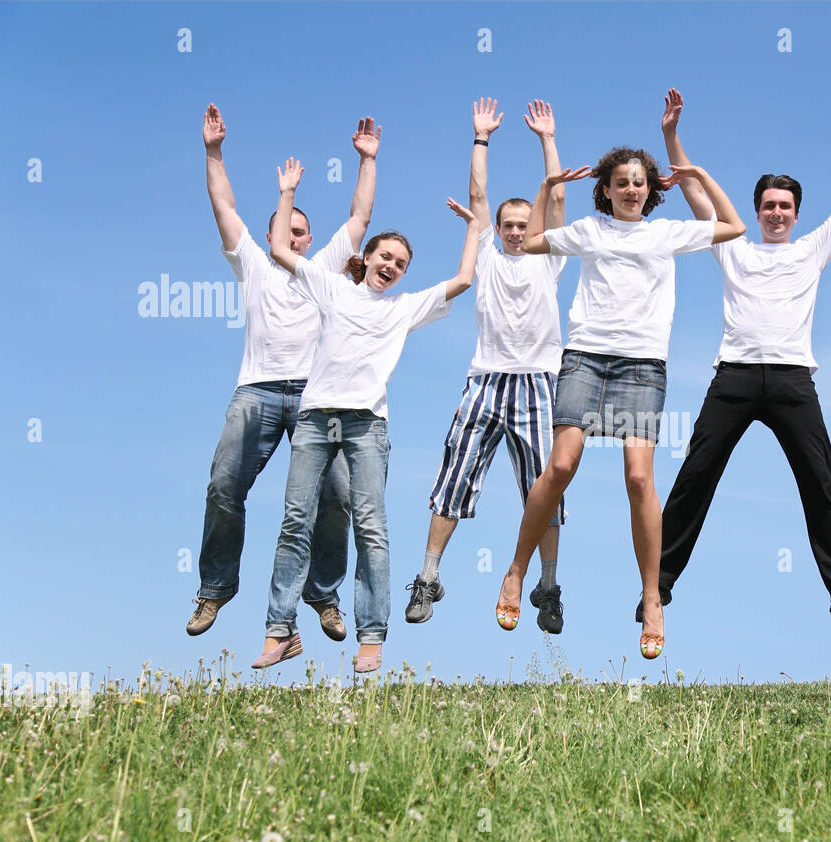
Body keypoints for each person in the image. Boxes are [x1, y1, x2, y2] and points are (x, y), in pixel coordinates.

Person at [648, 90, 831, 631]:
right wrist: (671, 136)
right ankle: (657, 586)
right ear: (756, 212)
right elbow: (696, 195)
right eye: (769, 205)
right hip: (735, 378)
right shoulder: (734, 245)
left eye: (785, 206)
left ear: (797, 213)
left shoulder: (813, 248)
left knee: (820, 481)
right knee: (695, 474)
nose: (777, 213)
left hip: (795, 382)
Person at [494, 141, 746, 659]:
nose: (631, 189)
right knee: (561, 466)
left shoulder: (666, 233)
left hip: (641, 365)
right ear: (606, 192)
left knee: (638, 477)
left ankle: (652, 598)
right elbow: (534, 240)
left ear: (651, 189)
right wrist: (547, 186)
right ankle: (517, 570)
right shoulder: (589, 230)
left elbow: (734, 226)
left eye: (639, 182)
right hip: (586, 358)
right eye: (621, 182)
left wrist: (698, 171)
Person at [258, 157, 479, 673]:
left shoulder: (403, 308)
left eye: (400, 263)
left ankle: (372, 636)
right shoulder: (333, 287)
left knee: (371, 527)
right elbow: (275, 249)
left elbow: (465, 279)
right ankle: (278, 629)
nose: (391, 266)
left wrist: (474, 227)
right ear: (368, 256)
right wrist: (286, 191)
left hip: (366, 425)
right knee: (295, 521)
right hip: (315, 419)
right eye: (385, 256)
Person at [188, 104, 378, 642]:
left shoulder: (323, 270)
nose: (294, 239)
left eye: (301, 233)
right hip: (257, 391)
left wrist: (366, 161)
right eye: (286, 230)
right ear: (271, 234)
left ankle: (322, 594)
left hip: (319, 399)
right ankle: (216, 588)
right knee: (224, 485)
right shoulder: (251, 262)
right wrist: (213, 151)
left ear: (311, 242)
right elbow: (222, 202)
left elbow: (360, 218)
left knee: (337, 496)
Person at [405, 99, 570, 633]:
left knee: (544, 489)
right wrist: (482, 139)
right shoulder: (490, 255)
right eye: (509, 225)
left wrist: (548, 138)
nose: (517, 232)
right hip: (486, 380)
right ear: (496, 229)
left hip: (540, 383)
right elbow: (478, 196)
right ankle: (428, 576)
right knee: (454, 475)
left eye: (525, 224)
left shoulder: (550, 257)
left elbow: (560, 194)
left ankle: (546, 587)